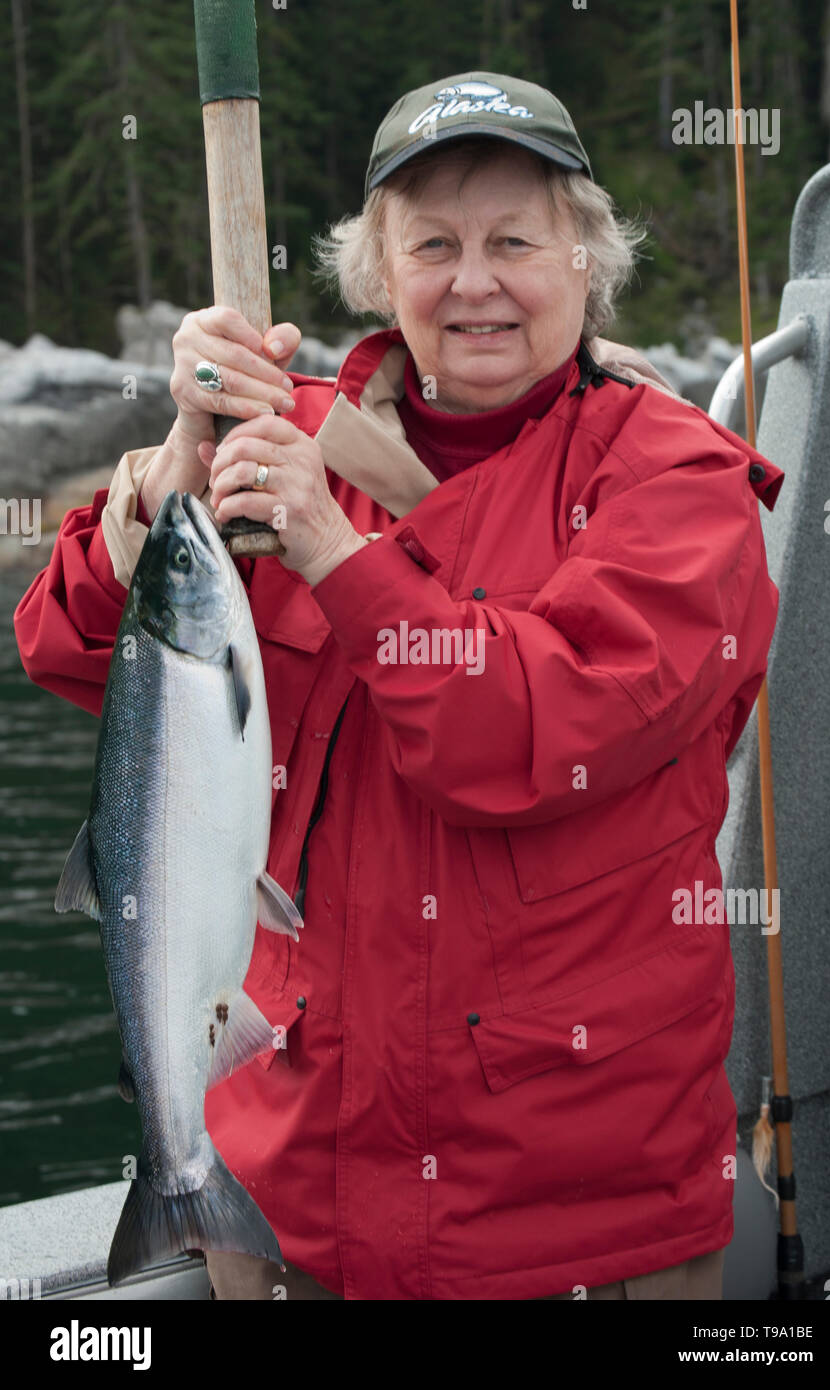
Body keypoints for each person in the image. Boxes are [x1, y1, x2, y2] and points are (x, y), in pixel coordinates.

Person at [15, 71, 783, 1301]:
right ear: (380, 275)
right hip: (292, 1206)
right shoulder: (278, 440)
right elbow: (65, 647)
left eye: (513, 242)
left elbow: (532, 734)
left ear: (587, 261)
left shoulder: (677, 488)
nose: (472, 281)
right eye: (431, 245)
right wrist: (171, 478)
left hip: (577, 1231)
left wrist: (334, 554)